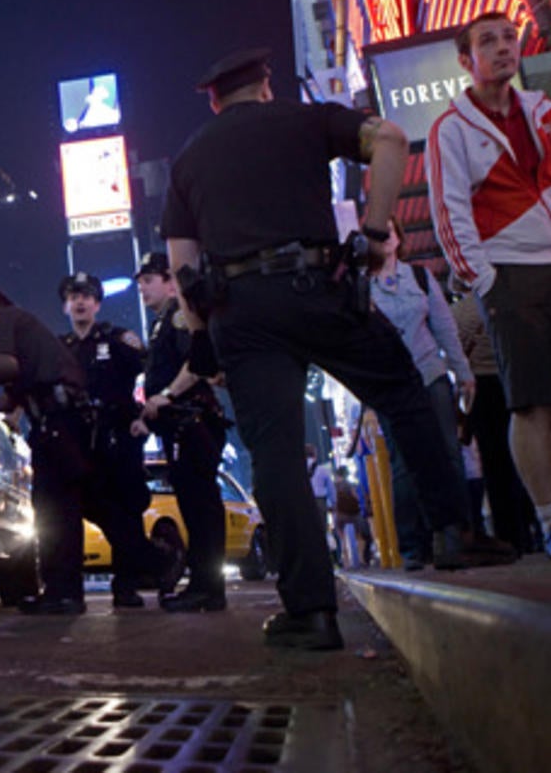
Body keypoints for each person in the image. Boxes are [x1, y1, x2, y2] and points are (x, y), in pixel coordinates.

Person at [160, 46, 477, 652]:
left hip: (241, 312)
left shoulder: (190, 156)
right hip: (318, 288)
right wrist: (375, 233)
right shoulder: (307, 120)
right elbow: (391, 138)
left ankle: (311, 614)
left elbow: (184, 267)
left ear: (214, 101)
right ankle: (453, 532)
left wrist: (202, 337)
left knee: (275, 456)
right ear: (266, 86)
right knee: (403, 392)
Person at [426, 10, 551, 558]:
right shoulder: (451, 129)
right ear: (465, 60)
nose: (504, 48)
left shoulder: (542, 111)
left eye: (509, 37)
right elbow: (448, 210)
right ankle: (548, 519)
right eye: (488, 41)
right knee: (531, 404)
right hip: (510, 272)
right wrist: (485, 280)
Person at [368, 216, 513, 568]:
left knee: (449, 453)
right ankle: (412, 547)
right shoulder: (361, 285)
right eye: (379, 232)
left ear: (399, 238)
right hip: (391, 384)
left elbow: (444, 327)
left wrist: (463, 373)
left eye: (391, 230)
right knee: (403, 462)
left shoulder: (420, 277)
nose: (386, 237)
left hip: (431, 375)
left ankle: (456, 536)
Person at [0, 285, 93, 614]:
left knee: (57, 507)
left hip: (59, 420)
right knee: (51, 506)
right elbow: (11, 398)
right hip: (54, 421)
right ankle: (59, 591)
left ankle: (65, 593)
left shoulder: (5, 318)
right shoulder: (23, 333)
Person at [58, 270, 178, 608]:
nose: (80, 302)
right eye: (73, 297)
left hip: (120, 435)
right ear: (66, 306)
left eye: (86, 296)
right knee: (91, 505)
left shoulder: (117, 339)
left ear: (97, 304)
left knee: (127, 506)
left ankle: (127, 586)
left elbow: (152, 372)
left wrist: (146, 416)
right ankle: (157, 560)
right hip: (81, 441)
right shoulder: (60, 348)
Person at [134, 252, 230, 612]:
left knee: (201, 507)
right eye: (140, 281)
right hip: (180, 425)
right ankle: (203, 584)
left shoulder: (179, 316)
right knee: (193, 506)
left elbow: (198, 362)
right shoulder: (161, 323)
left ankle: (208, 587)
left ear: (170, 282)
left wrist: (169, 394)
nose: (142, 288)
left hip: (194, 421)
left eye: (148, 280)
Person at [449, 276, 541, 552]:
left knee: (495, 464)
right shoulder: (509, 299)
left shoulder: (460, 312)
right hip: (516, 379)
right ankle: (538, 523)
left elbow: (455, 350)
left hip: (482, 389)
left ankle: (510, 535)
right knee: (530, 454)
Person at [332, 465, 363, 569]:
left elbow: (332, 500)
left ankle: (346, 563)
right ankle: (361, 559)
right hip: (353, 513)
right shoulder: (350, 484)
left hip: (339, 514)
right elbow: (356, 497)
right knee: (359, 536)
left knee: (342, 538)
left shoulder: (334, 486)